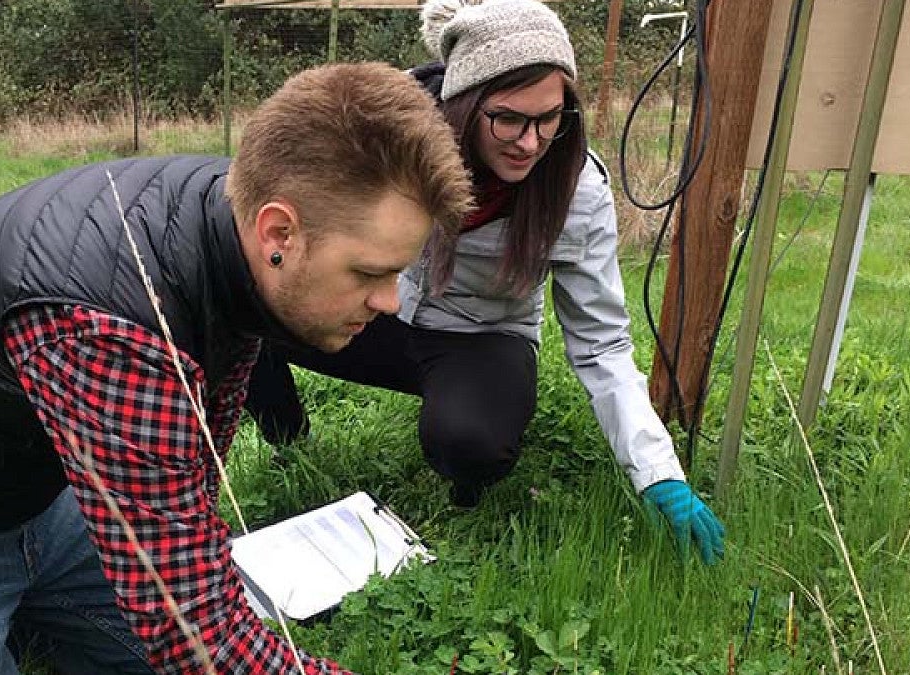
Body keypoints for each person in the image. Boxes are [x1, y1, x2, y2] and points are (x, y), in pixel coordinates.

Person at [0, 62, 471, 675]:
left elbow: (191, 531)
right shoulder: (113, 325)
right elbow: (195, 630)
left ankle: (29, 608)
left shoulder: (234, 208)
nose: (389, 303)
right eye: (370, 272)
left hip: (42, 499)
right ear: (279, 234)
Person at [244, 0, 725, 565]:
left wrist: (657, 473)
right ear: (465, 106)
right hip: (382, 314)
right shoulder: (389, 142)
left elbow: (602, 345)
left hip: (479, 336)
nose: (531, 141)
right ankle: (290, 445)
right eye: (510, 119)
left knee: (471, 439)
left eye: (550, 118)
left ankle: (465, 480)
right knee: (251, 306)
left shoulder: (575, 192)